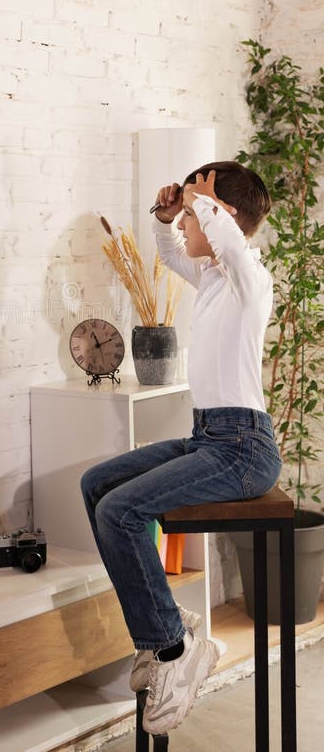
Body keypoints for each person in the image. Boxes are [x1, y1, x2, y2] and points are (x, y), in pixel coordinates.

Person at [81, 161, 282, 735]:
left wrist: (204, 196)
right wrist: (168, 217)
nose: (189, 223)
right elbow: (171, 256)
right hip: (209, 436)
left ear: (225, 216)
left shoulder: (249, 277)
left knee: (121, 513)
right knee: (97, 486)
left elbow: (225, 236)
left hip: (244, 447)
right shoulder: (216, 279)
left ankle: (172, 650)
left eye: (196, 213)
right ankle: (169, 625)